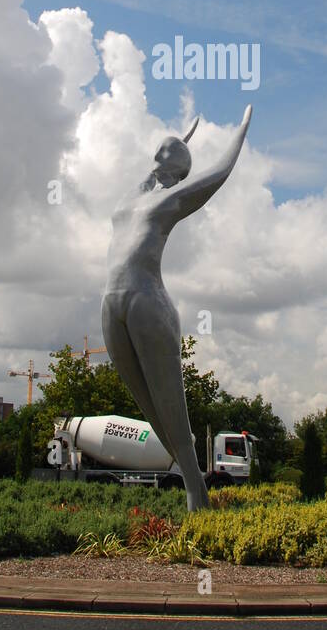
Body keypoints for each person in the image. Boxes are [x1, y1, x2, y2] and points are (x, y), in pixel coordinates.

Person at [101, 107, 252, 512]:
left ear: (178, 165)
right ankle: (197, 489)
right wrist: (183, 140)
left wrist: (240, 131)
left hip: (148, 300)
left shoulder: (173, 198)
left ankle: (193, 498)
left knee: (171, 408)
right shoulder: (134, 197)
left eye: (170, 146)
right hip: (110, 300)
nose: (161, 146)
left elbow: (218, 173)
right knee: (149, 409)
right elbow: (150, 174)